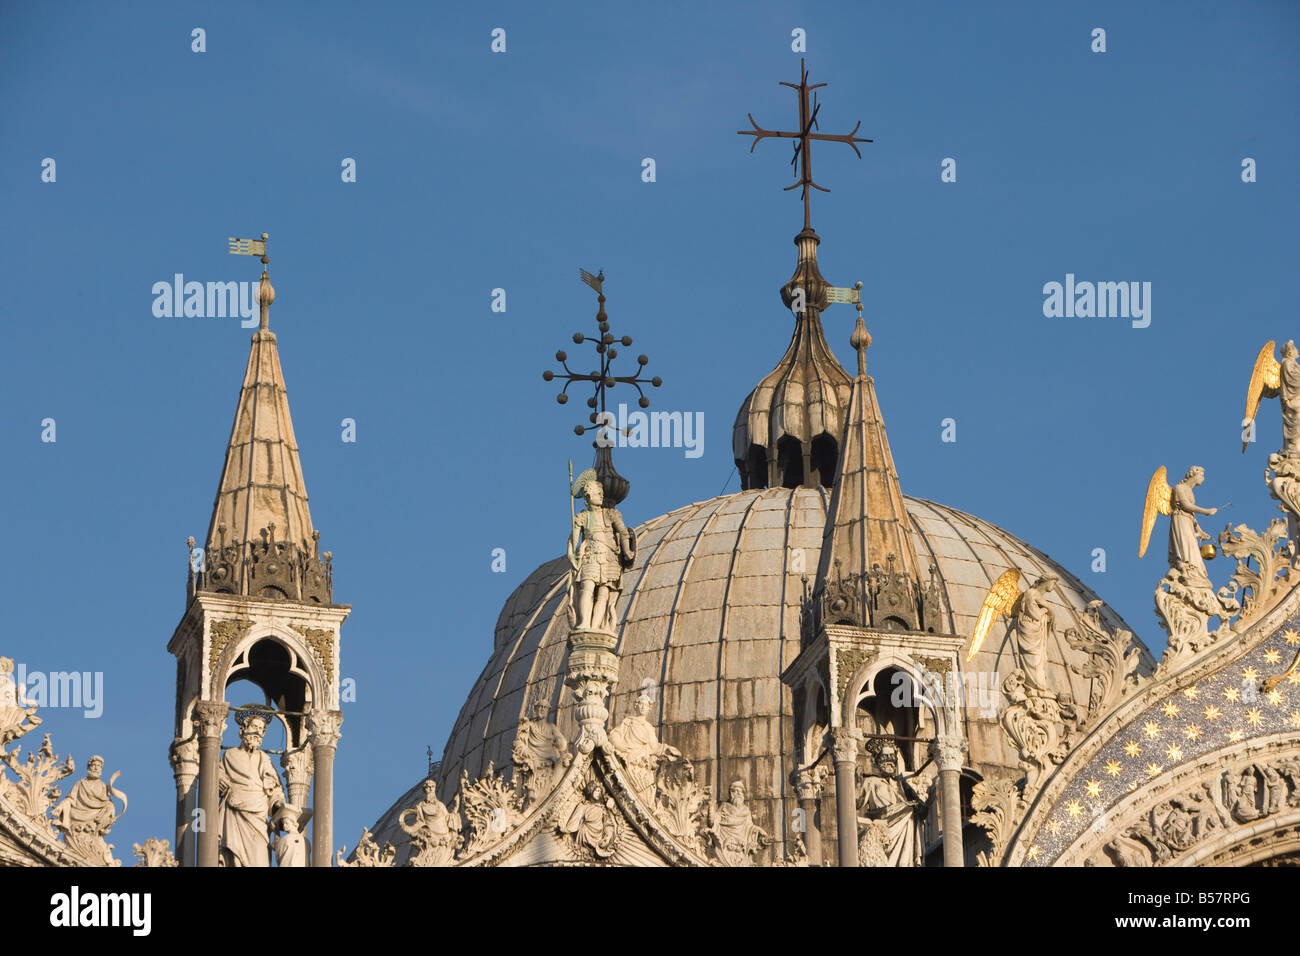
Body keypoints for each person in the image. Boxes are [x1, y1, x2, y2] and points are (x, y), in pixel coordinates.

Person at [568, 470, 634, 633]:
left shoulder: (611, 514)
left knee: (604, 593)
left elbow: (624, 532)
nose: (601, 496)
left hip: (609, 557)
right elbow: (573, 540)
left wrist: (627, 551)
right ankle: (585, 623)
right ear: (589, 497)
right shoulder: (582, 517)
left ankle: (596, 627)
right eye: (598, 494)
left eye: (601, 493)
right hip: (591, 556)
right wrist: (573, 556)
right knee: (587, 588)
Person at [217, 711, 285, 867]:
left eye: (261, 730)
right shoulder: (229, 755)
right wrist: (219, 780)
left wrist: (278, 804)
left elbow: (274, 789)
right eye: (255, 727)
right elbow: (216, 776)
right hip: (234, 814)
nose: (258, 733)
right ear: (243, 729)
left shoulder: (264, 758)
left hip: (258, 817)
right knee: (233, 858)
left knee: (259, 859)